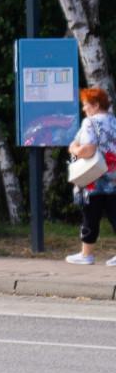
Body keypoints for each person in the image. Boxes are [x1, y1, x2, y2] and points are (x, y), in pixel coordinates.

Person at [66, 87, 116, 265]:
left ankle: (86, 255)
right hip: (114, 178)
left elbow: (88, 150)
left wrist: (74, 149)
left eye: (86, 105)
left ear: (95, 105)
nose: (84, 109)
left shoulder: (90, 123)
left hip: (93, 179)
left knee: (90, 216)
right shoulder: (114, 121)